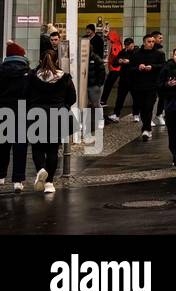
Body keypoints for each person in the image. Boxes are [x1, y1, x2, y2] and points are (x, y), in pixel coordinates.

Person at [25, 47, 75, 194]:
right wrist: (64, 106)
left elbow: (24, 94)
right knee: (52, 149)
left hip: (36, 115)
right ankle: (49, 183)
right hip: (57, 115)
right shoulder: (64, 77)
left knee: (37, 147)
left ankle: (41, 169)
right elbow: (72, 98)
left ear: (41, 61)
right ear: (57, 61)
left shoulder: (33, 76)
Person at [0, 41, 30, 193]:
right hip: (21, 112)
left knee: (2, 145)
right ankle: (18, 181)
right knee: (20, 147)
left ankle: (1, 176)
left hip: (3, 111)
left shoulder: (1, 70)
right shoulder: (27, 73)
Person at [130, 33, 167, 140]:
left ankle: (146, 129)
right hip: (138, 85)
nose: (151, 44)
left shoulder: (159, 54)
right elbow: (130, 68)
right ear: (144, 42)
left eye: (152, 42)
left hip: (152, 85)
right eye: (149, 42)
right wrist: (138, 67)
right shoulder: (136, 54)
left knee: (149, 106)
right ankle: (146, 127)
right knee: (142, 107)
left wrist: (153, 67)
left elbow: (163, 67)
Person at [85, 24, 106, 111]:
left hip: (94, 85)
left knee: (96, 104)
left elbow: (102, 73)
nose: (87, 31)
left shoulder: (98, 40)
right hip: (89, 83)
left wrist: (99, 85)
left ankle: (100, 120)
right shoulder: (86, 38)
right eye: (87, 30)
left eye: (89, 30)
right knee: (90, 104)